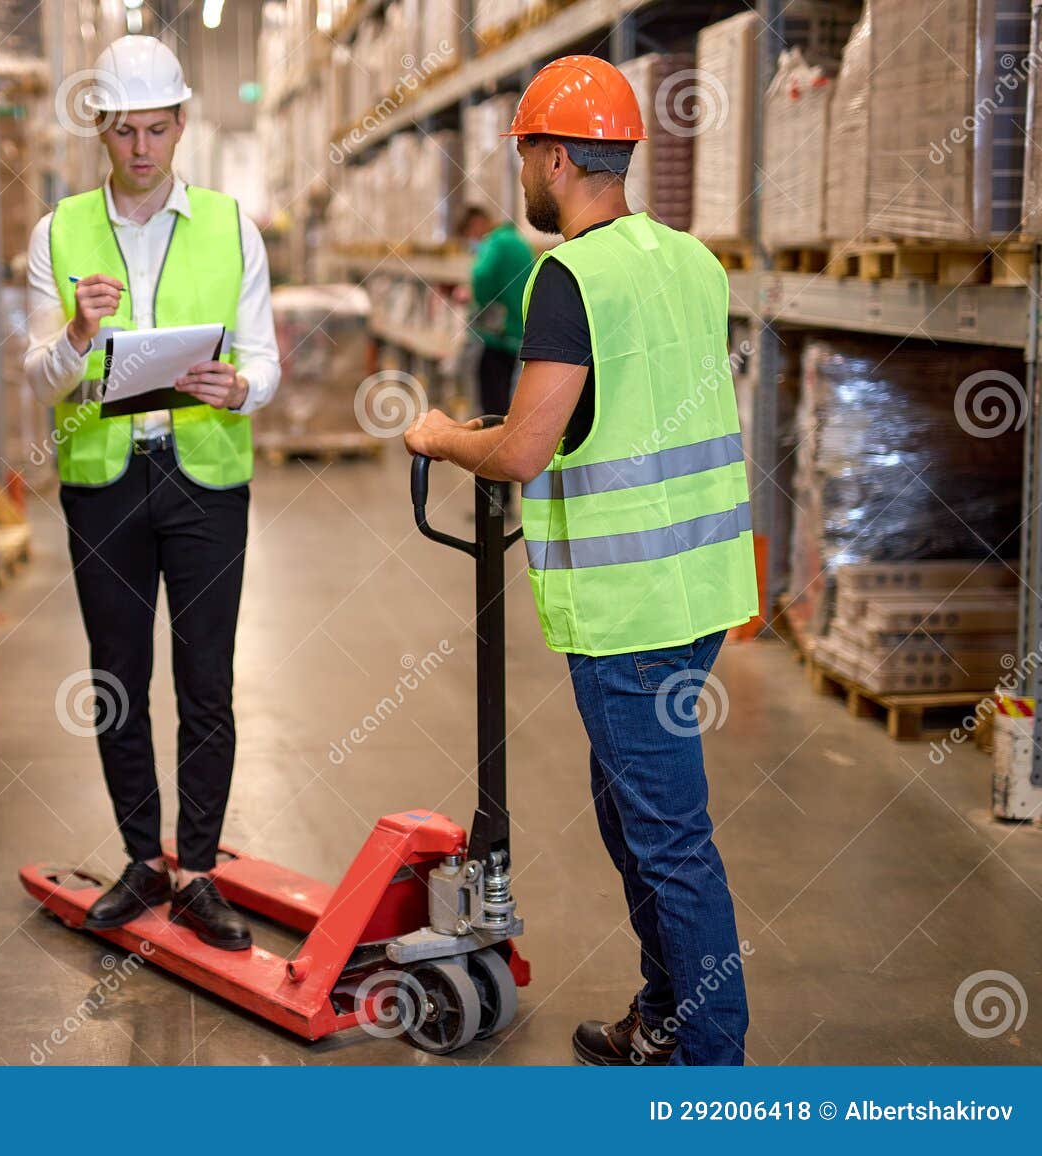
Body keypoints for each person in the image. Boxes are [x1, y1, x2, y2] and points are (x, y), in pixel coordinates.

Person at [403, 55, 757, 1066]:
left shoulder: (567, 276)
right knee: (633, 817)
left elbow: (522, 448)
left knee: (668, 841)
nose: (521, 174)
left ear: (554, 158)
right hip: (699, 590)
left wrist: (437, 439)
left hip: (628, 606)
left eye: (525, 155)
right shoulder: (691, 259)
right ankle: (664, 1013)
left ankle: (710, 1070)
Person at [23, 36, 280, 951]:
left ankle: (200, 869)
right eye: (124, 130)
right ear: (100, 128)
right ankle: (143, 857)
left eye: (157, 128)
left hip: (206, 476)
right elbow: (43, 376)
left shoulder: (229, 224)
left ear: (181, 124)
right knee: (117, 678)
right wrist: (76, 332)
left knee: (206, 680)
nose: (141, 148)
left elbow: (265, 361)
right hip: (104, 483)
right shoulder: (56, 233)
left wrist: (241, 389)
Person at [457, 205, 536, 417]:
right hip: (518, 329)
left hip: (498, 334)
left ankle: (490, 440)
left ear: (477, 224)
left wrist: (479, 300)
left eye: (469, 234)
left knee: (492, 398)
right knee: (509, 393)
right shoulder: (518, 241)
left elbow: (481, 275)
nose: (472, 241)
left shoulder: (496, 241)